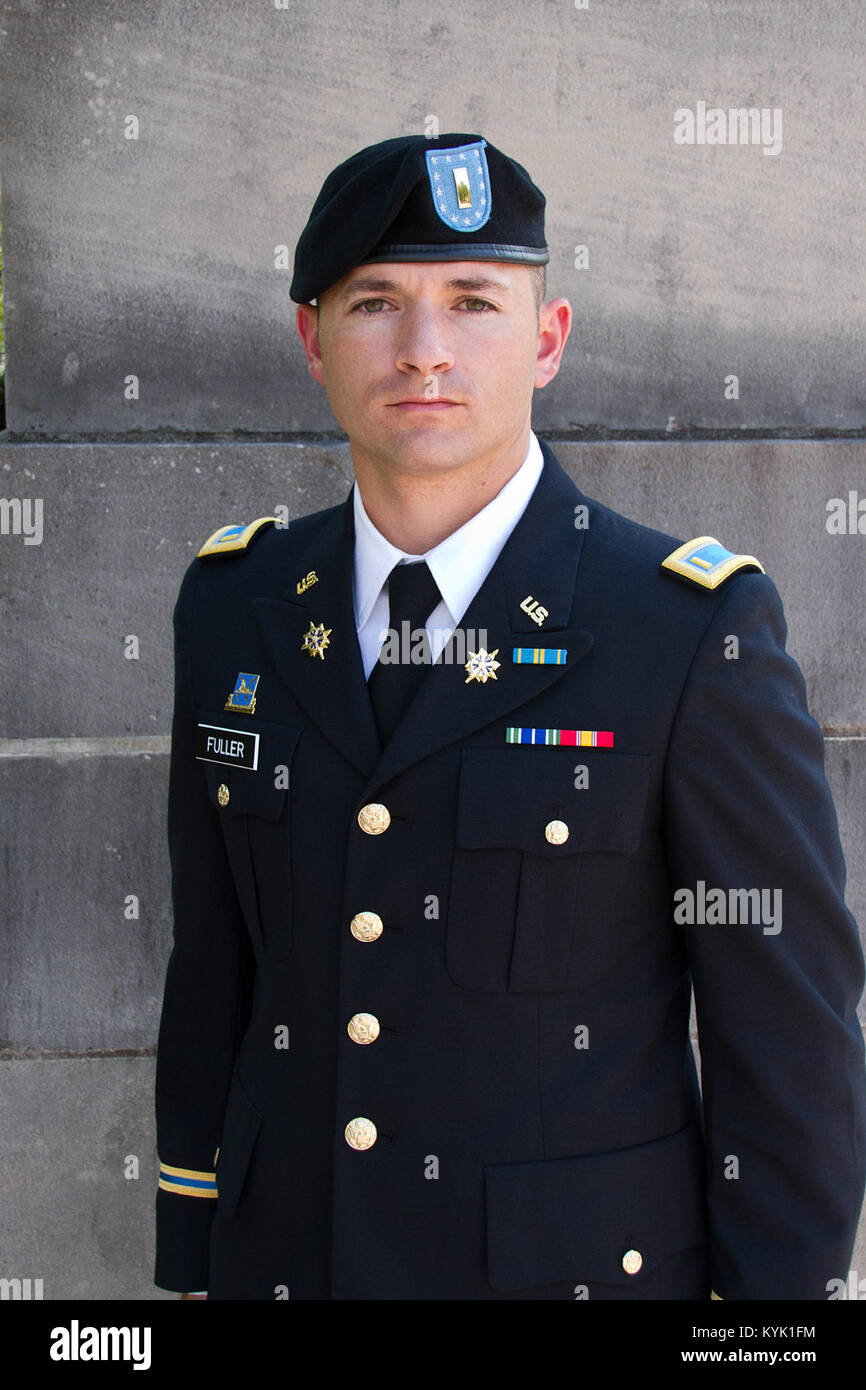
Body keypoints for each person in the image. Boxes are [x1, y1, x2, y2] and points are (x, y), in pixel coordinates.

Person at [154, 132, 866, 1300]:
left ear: (546, 340)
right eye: (374, 302)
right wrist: (190, 1248)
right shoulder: (236, 607)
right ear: (311, 340)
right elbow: (213, 967)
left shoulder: (684, 630)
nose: (423, 351)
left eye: (473, 302)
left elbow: (784, 1037)